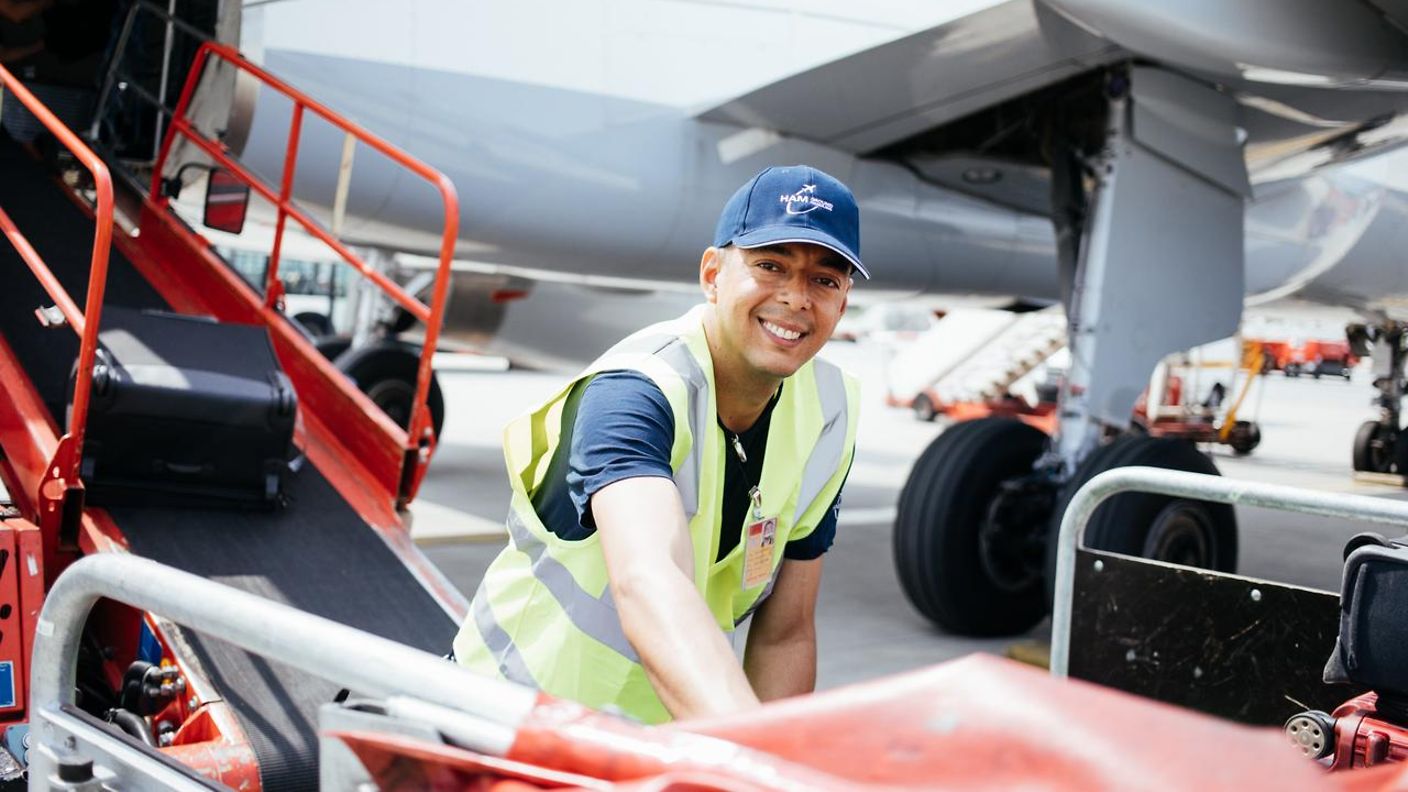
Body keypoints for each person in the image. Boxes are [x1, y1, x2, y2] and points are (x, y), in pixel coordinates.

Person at [452, 165, 866, 724]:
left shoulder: (829, 410)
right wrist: (745, 763)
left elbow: (785, 634)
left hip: (660, 746)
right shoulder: (635, 391)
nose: (797, 298)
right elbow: (649, 580)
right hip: (508, 722)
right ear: (713, 274)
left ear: (842, 302)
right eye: (770, 266)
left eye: (825, 280)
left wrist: (770, 757)